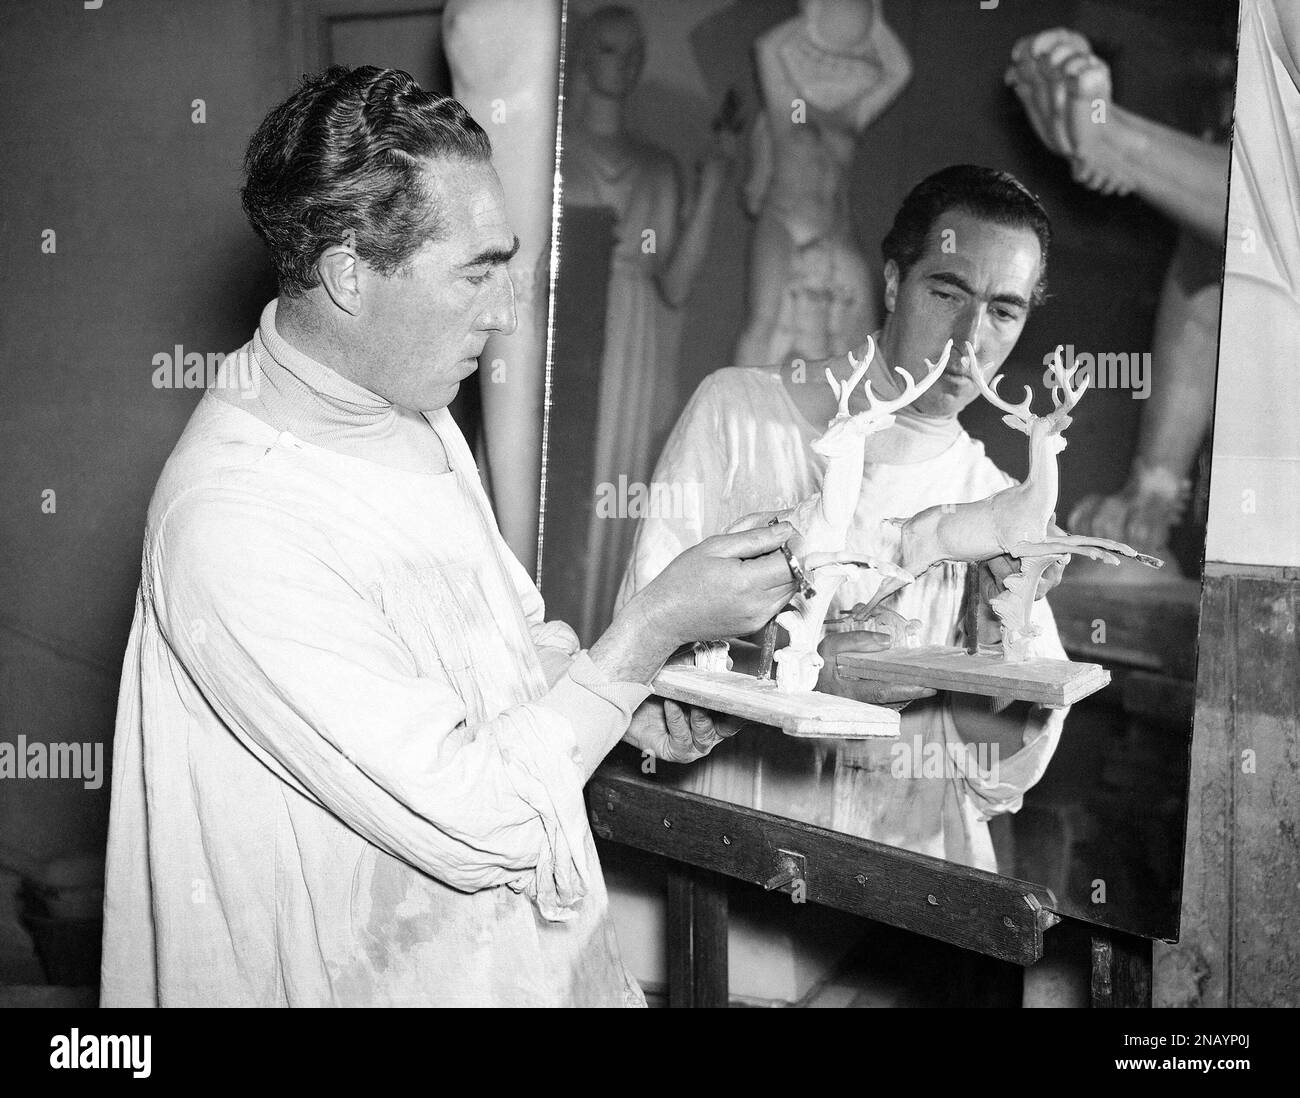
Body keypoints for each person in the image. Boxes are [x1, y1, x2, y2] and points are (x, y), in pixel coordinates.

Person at [99, 66, 798, 1008]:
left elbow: (510, 639)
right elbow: (477, 822)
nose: (508, 312)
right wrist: (648, 631)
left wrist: (616, 698)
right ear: (349, 274)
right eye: (479, 270)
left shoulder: (409, 409)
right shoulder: (232, 523)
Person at [618, 166, 1071, 872]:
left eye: (1004, 311)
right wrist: (805, 664)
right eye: (946, 291)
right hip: (727, 851)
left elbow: (999, 772)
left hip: (899, 875)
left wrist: (995, 624)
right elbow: (643, 644)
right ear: (893, 282)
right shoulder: (741, 414)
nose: (969, 336)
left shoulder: (997, 500)